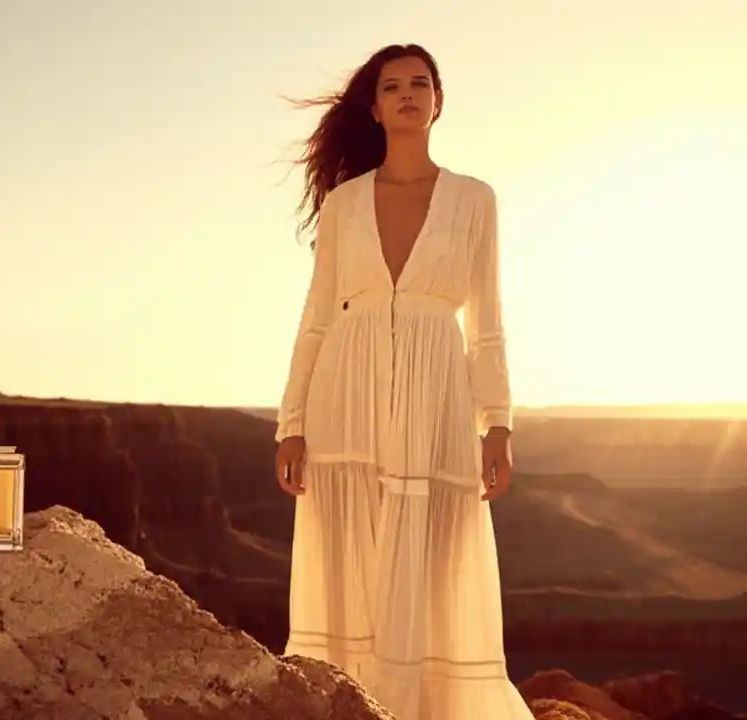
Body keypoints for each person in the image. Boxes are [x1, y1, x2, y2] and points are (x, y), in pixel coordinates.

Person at [273, 44, 534, 719]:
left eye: (421, 84)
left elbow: (487, 323)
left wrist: (497, 423)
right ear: (376, 106)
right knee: (351, 564)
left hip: (437, 394)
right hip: (347, 396)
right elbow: (316, 319)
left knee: (431, 565)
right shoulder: (343, 205)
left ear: (438, 102)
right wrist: (292, 424)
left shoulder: (475, 200)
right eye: (394, 86)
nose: (409, 94)